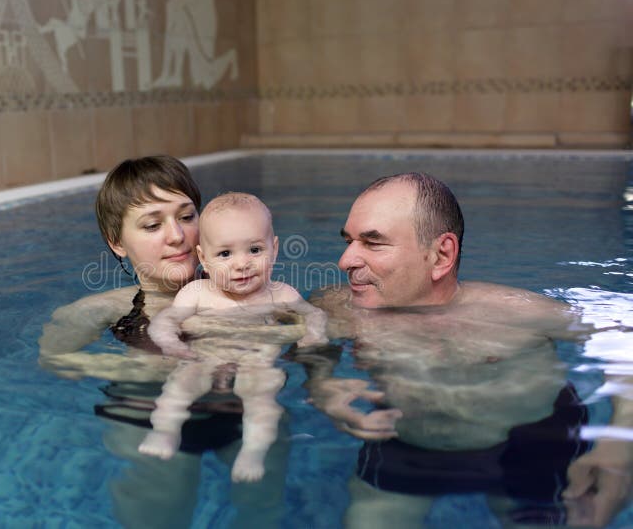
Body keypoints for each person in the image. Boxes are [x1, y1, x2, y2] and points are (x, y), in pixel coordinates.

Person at [303, 172, 633, 527]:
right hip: (409, 438)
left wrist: (618, 443)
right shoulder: (339, 308)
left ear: (441, 255)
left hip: (531, 442)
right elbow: (310, 343)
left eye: (373, 243)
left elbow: (624, 339)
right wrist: (320, 384)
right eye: (349, 241)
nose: (345, 260)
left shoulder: (514, 313)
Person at [38, 156, 305, 528]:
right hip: (146, 417)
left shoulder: (267, 297)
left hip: (247, 413)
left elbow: (316, 343)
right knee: (162, 509)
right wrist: (132, 367)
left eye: (186, 216)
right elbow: (53, 357)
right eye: (152, 224)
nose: (177, 235)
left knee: (263, 511)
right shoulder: (105, 308)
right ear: (117, 242)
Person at [139, 193, 328, 482]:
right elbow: (165, 321)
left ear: (274, 250)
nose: (242, 264)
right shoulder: (196, 293)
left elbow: (314, 314)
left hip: (258, 361)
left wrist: (311, 337)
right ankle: (165, 431)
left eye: (254, 250)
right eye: (225, 254)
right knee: (177, 389)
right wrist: (171, 344)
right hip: (203, 357)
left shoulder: (282, 294)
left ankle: (253, 450)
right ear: (204, 258)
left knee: (262, 399)